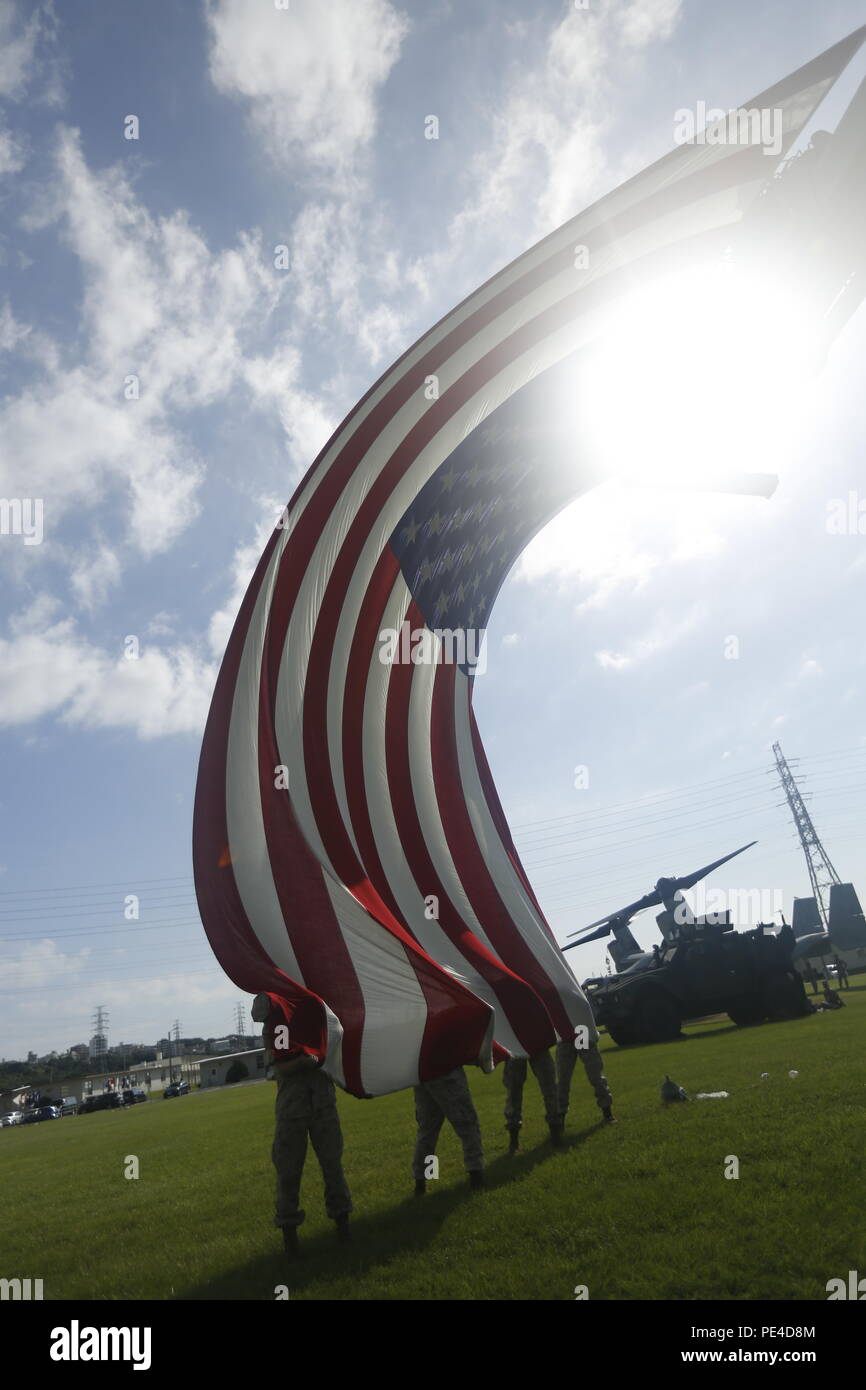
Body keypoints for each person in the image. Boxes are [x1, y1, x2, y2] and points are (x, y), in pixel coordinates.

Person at [252, 993, 352, 1258]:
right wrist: (306, 1060)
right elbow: (282, 1065)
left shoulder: (317, 1007)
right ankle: (290, 1238)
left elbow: (336, 1036)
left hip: (322, 1104)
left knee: (333, 1165)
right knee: (288, 1172)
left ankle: (343, 1225)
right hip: (292, 1109)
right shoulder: (276, 1017)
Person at [413, 1066, 484, 1193]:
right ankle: (476, 1177)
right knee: (468, 1125)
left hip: (421, 1073)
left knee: (428, 1131)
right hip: (445, 1071)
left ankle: (421, 1182)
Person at [503, 1049, 562, 1152]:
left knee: (550, 1088)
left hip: (536, 1044)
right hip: (514, 1046)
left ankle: (556, 1133)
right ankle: (513, 1138)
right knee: (513, 1092)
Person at [556, 1036, 615, 1129]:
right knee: (562, 1081)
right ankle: (559, 1119)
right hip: (565, 1038)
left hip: (582, 1034)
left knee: (596, 1076)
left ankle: (608, 1113)